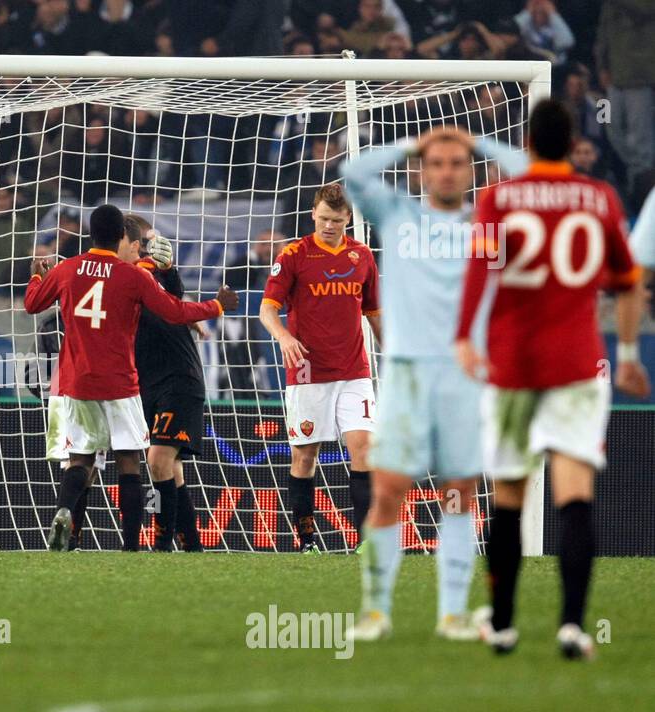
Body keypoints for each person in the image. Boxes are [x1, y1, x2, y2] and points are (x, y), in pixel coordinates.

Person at [456, 99, 650, 660]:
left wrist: (466, 337)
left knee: (509, 497)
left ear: (529, 144)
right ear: (571, 141)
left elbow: (478, 270)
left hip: (514, 366)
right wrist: (631, 352)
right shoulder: (600, 198)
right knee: (575, 497)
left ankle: (504, 624)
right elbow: (629, 283)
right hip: (576, 364)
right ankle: (570, 625)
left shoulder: (499, 198)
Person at [340, 125, 527, 642]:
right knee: (388, 491)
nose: (446, 171)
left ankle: (451, 615)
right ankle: (375, 611)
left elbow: (530, 174)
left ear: (470, 171)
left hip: (466, 375)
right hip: (405, 372)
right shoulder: (398, 214)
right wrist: (416, 144)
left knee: (458, 492)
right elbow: (351, 171)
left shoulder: (491, 221)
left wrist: (476, 143)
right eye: (437, 163)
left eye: (456, 163)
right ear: (422, 169)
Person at [25, 204, 234, 552]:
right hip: (121, 383)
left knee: (80, 460)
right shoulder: (132, 275)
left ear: (90, 234)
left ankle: (64, 513)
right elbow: (174, 309)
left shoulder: (67, 270)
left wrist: (36, 275)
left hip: (76, 383)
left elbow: (32, 304)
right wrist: (216, 306)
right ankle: (131, 547)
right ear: (122, 236)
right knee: (129, 462)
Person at [260, 183, 382, 553]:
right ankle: (307, 540)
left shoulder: (362, 256)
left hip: (354, 370)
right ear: (313, 213)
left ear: (349, 218)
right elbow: (267, 309)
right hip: (308, 371)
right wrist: (282, 336)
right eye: (324, 218)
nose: (329, 225)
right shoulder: (294, 254)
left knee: (363, 449)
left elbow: (374, 312)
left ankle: (368, 542)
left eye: (337, 220)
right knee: (305, 456)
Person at [125, 213, 210, 551]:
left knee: (158, 459)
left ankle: (160, 546)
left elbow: (171, 289)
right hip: (145, 382)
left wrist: (169, 269)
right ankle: (191, 546)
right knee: (170, 468)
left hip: (179, 377)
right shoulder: (119, 278)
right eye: (144, 243)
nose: (148, 250)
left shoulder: (150, 273)